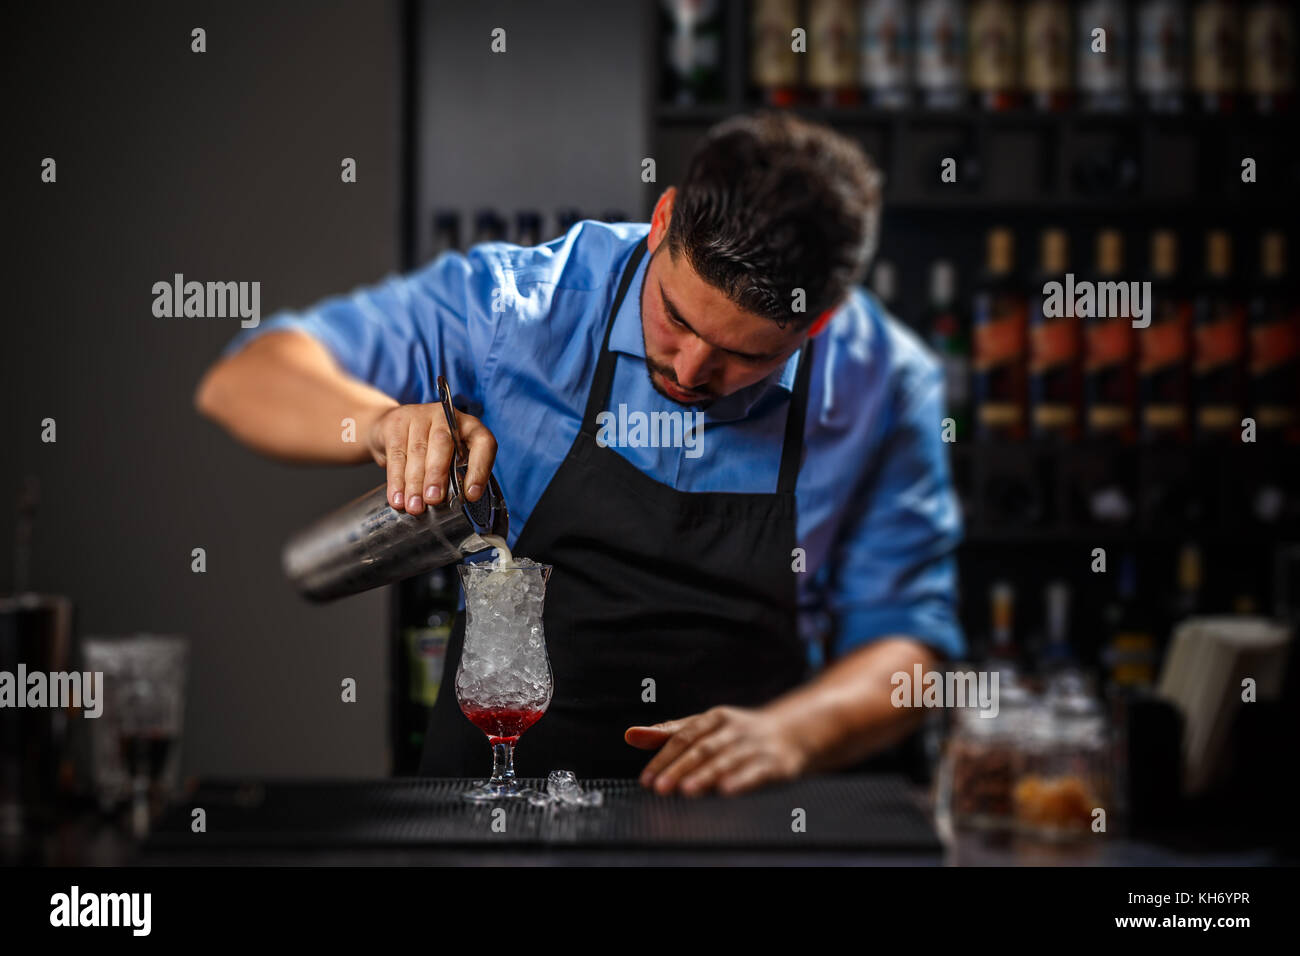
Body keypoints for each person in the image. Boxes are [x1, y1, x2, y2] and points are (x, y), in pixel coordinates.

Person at [196, 111, 964, 796]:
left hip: (738, 812)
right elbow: (248, 378)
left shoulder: (883, 385)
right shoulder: (520, 310)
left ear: (818, 323)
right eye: (675, 319)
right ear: (663, 221)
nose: (692, 372)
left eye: (743, 356)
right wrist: (380, 422)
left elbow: (907, 650)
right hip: (505, 797)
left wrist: (792, 735)